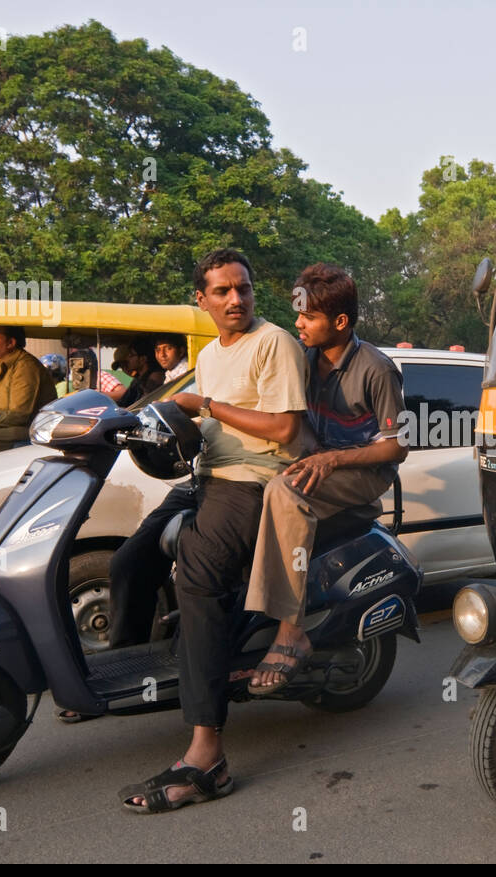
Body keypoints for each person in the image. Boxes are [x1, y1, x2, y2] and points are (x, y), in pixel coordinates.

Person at [117, 248, 307, 813]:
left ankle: (207, 754)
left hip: (251, 482)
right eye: (221, 291)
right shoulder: (209, 352)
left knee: (196, 582)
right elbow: (190, 414)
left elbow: (285, 428)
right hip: (204, 477)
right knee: (132, 558)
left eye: (242, 289)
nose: (235, 300)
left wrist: (208, 405)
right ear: (200, 300)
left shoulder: (274, 342)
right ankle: (129, 679)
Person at [245, 264, 408, 693]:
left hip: (363, 472)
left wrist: (334, 460)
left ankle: (289, 630)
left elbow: (397, 446)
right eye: (297, 314)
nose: (297, 324)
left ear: (339, 322)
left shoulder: (377, 369)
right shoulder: (302, 359)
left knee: (284, 491)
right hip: (318, 461)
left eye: (308, 317)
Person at [0, 327, 58, 458]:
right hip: (11, 425)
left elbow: (19, 415)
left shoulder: (25, 367)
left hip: (31, 428)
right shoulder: (3, 366)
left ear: (10, 343)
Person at [107, 339, 165, 407]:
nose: (128, 359)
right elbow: (124, 402)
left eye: (131, 355)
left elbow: (143, 403)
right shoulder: (137, 380)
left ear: (143, 359)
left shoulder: (155, 377)